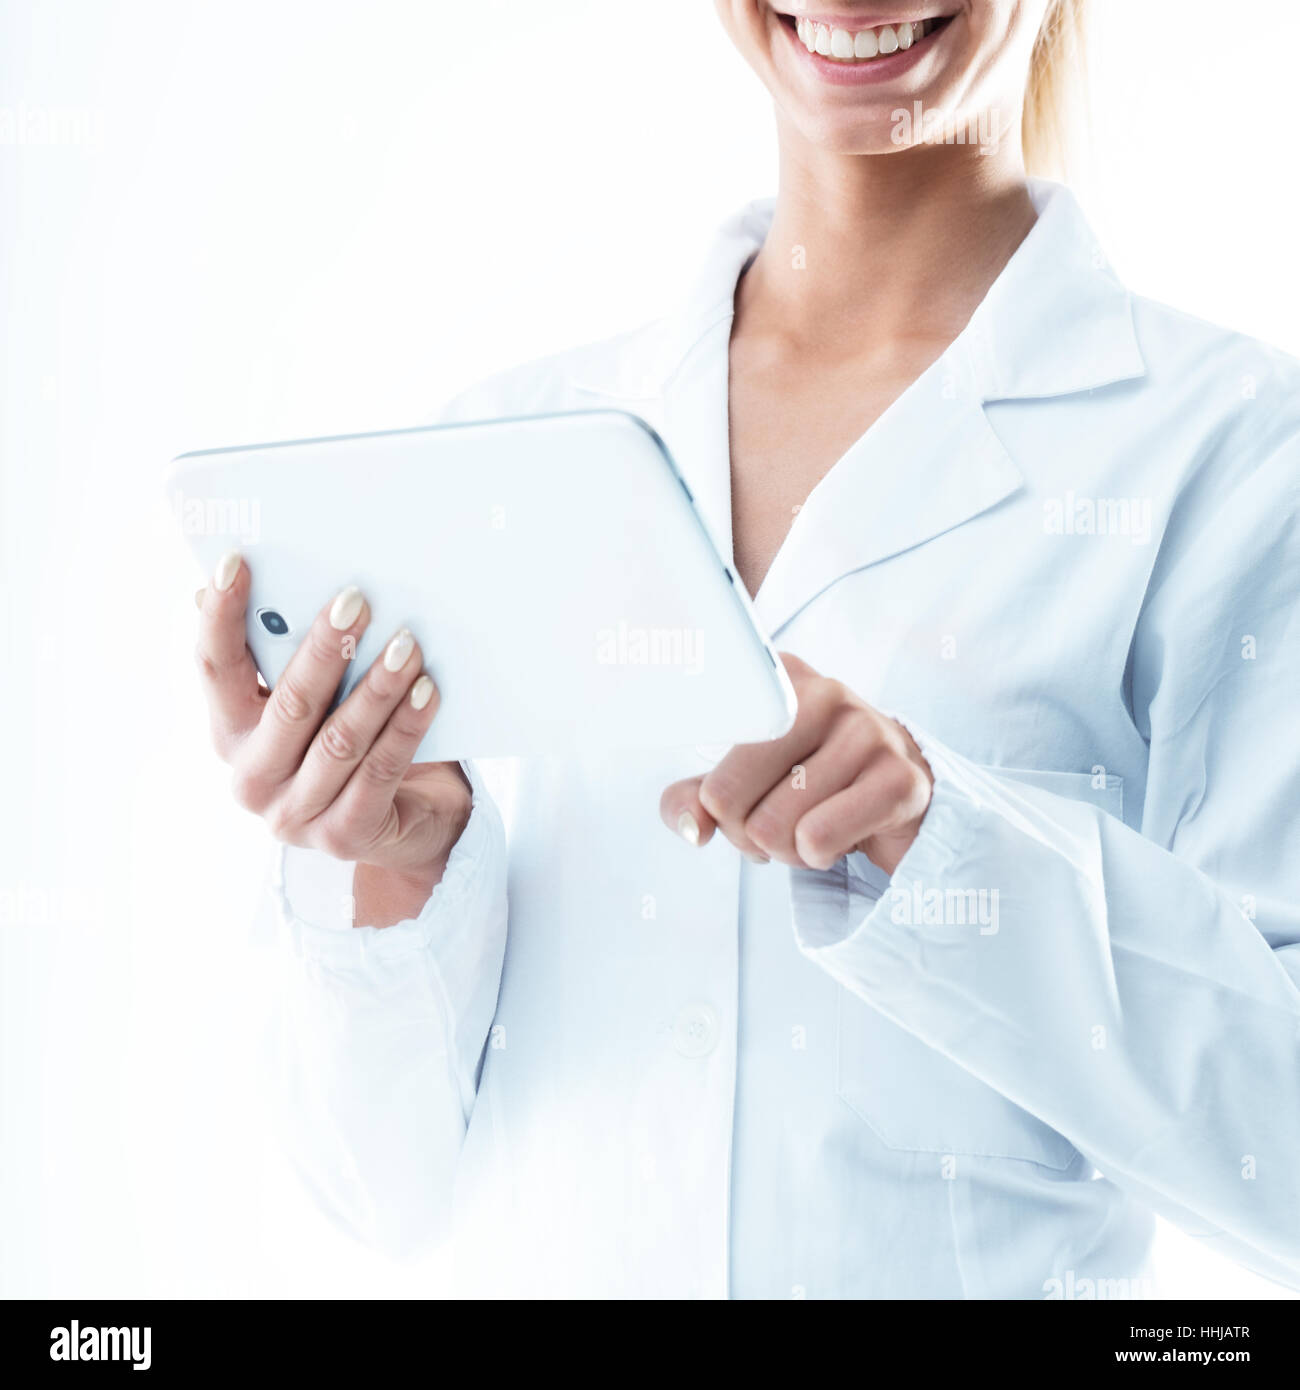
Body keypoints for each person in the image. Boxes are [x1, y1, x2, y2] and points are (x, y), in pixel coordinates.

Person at [193, 1, 1300, 1298]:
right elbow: (378, 1187)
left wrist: (944, 839)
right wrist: (393, 868)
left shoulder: (1229, 454)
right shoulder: (506, 445)